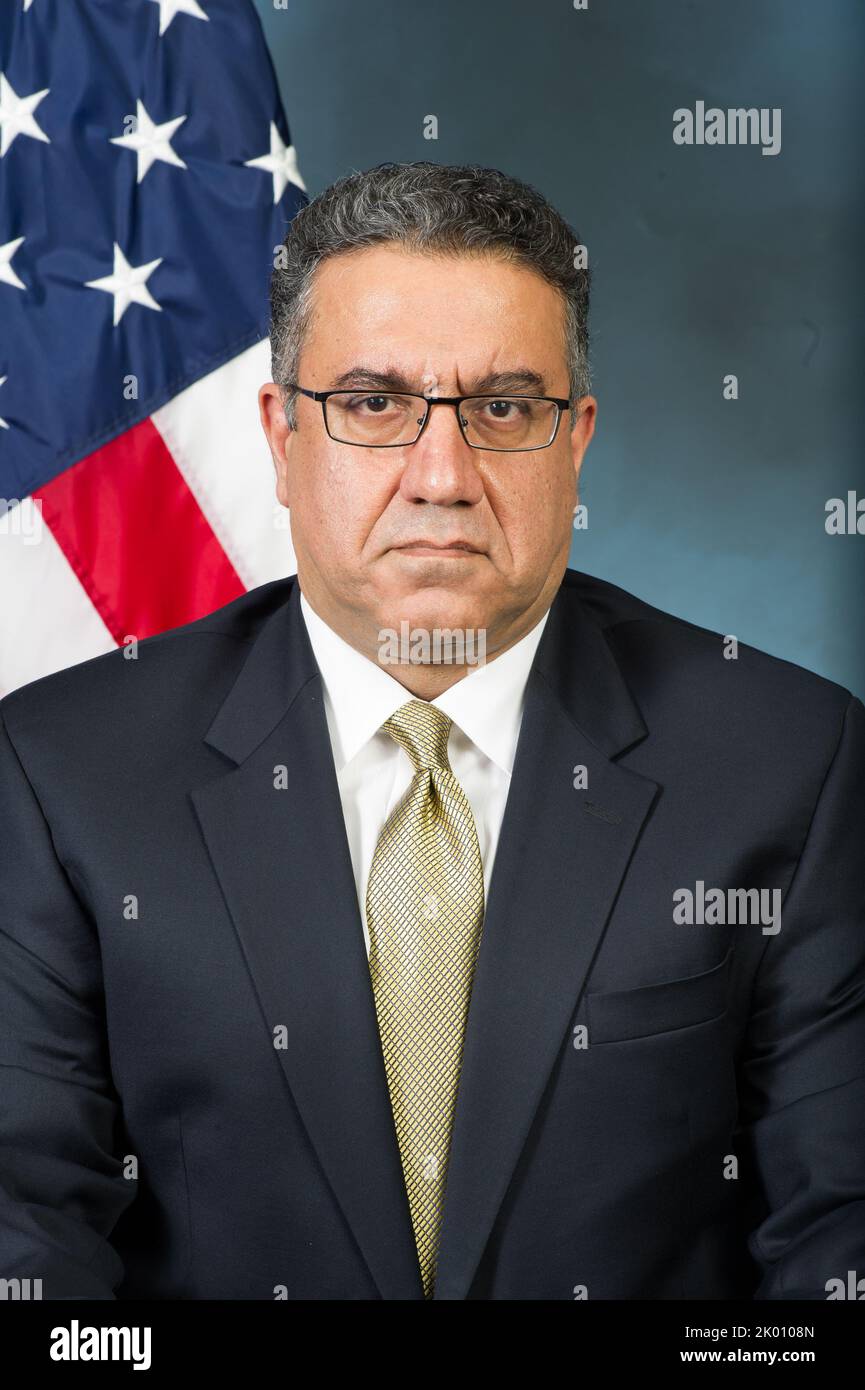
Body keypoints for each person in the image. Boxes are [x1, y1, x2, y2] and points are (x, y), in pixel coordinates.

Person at [1, 162, 862, 1301]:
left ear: (577, 440)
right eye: (373, 404)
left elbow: (835, 1239)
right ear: (279, 433)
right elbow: (25, 1232)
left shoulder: (789, 759)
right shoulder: (61, 768)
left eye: (504, 407)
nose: (442, 475)